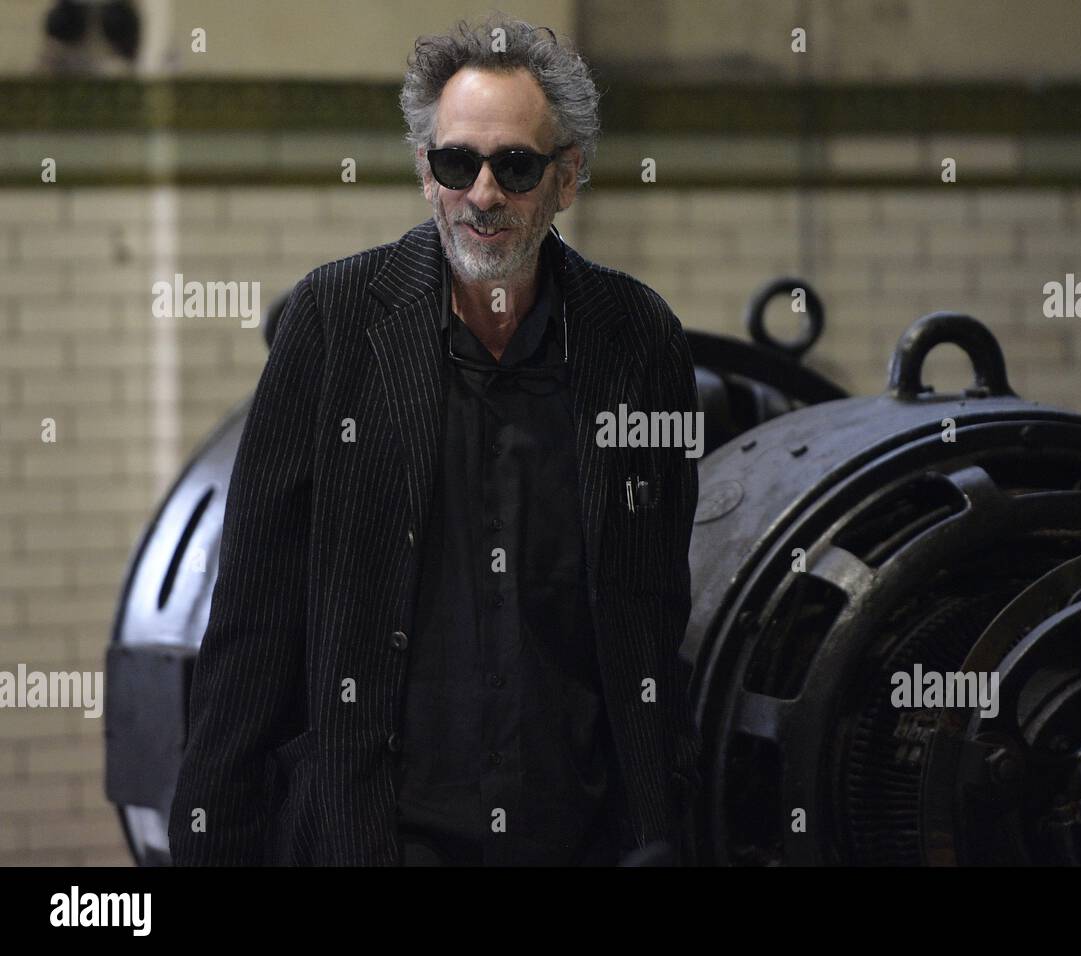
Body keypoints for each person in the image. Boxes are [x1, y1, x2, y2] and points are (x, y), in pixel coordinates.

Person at [166, 15, 703, 866]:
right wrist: (212, 840)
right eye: (458, 163)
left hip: (578, 837)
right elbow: (253, 619)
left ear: (567, 178)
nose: (483, 194)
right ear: (426, 172)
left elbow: (653, 610)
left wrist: (666, 826)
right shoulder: (335, 322)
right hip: (381, 837)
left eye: (515, 167)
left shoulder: (636, 338)